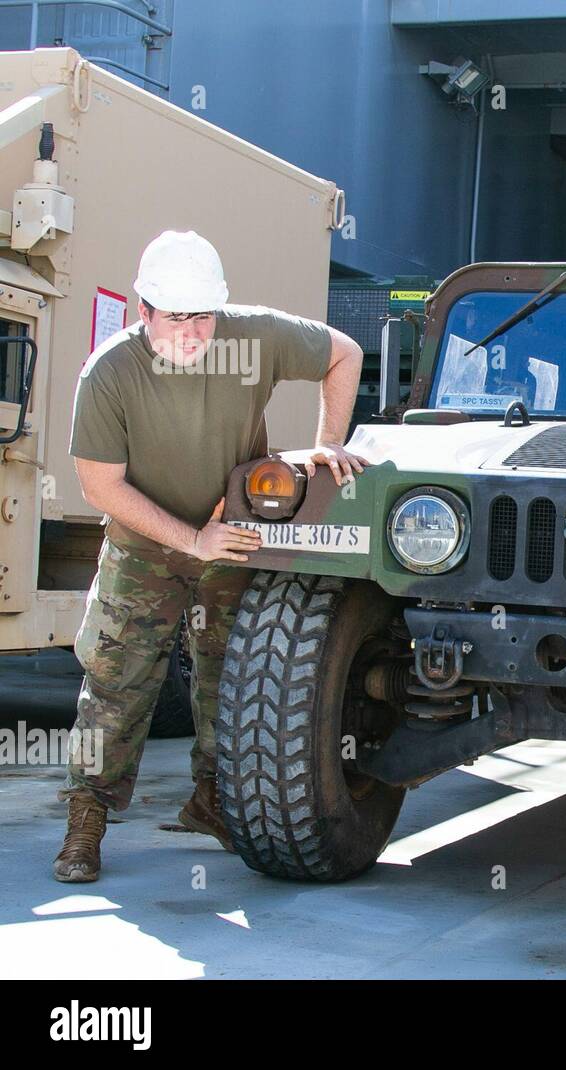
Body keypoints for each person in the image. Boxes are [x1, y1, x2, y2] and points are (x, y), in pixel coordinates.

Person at [55, 230, 367, 881]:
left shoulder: (252, 337)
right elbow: (100, 486)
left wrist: (325, 443)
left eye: (203, 315)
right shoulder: (110, 372)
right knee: (115, 680)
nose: (193, 331)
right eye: (176, 316)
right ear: (144, 312)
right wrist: (188, 539)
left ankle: (214, 803)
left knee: (235, 677)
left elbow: (346, 354)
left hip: (232, 535)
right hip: (143, 548)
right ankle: (87, 816)